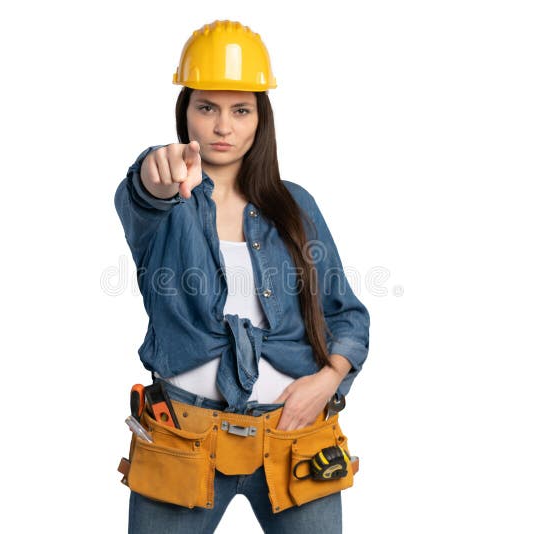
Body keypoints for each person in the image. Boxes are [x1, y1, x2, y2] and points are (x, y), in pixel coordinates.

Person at [114, 20, 370, 533]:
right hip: (181, 441)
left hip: (295, 442)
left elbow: (346, 314)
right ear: (185, 111)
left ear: (261, 119)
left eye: (240, 110)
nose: (222, 127)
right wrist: (154, 169)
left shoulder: (296, 206)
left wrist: (327, 381)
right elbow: (145, 188)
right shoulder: (166, 208)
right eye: (206, 107)